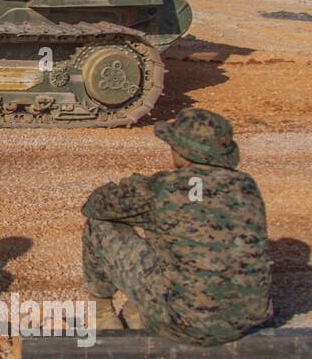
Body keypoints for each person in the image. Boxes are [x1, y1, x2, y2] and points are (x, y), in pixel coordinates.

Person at [80, 107, 272, 345]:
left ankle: (101, 309)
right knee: (173, 236)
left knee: (100, 225)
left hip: (178, 324)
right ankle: (136, 309)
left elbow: (95, 206)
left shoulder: (164, 187)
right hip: (247, 321)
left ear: (181, 151)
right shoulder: (246, 186)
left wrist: (136, 185)